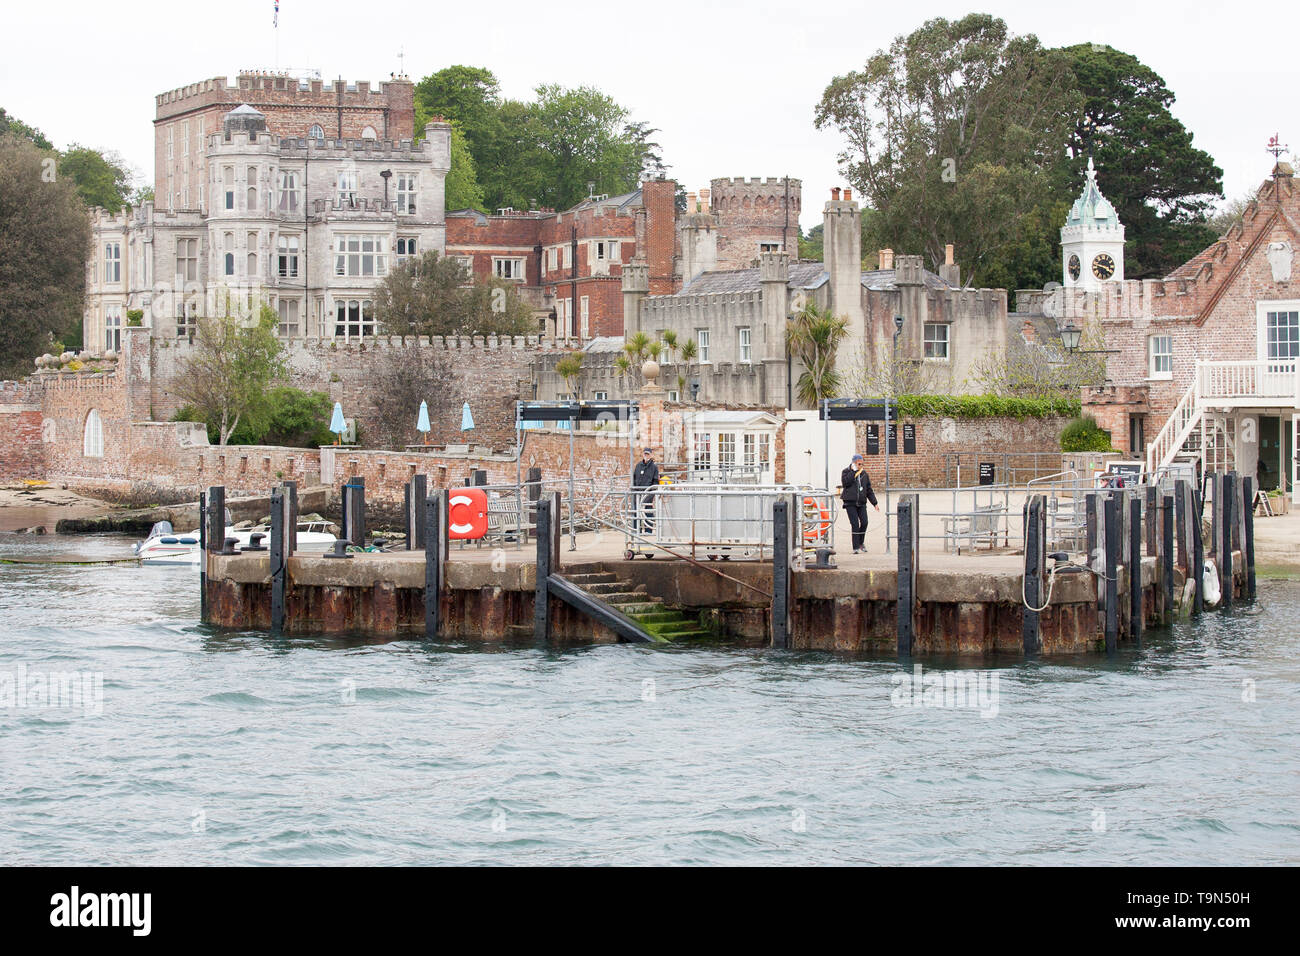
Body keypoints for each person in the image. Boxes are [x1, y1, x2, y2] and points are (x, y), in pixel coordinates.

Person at [839, 453, 879, 554]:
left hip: (861, 502)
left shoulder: (864, 474)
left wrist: (875, 503)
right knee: (855, 524)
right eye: (859, 463)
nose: (861, 466)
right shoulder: (846, 472)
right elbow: (846, 483)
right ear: (854, 463)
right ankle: (855, 547)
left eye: (862, 464)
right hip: (850, 502)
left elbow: (869, 490)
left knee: (864, 522)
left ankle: (861, 542)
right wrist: (853, 471)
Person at [632, 447, 660, 536]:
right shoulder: (638, 465)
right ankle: (636, 530)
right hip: (638, 492)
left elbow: (655, 481)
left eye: (648, 454)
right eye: (645, 454)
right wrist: (634, 489)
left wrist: (651, 493)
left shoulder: (654, 467)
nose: (646, 455)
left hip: (648, 492)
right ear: (643, 454)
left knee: (648, 511)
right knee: (636, 510)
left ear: (651, 455)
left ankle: (648, 530)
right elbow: (634, 478)